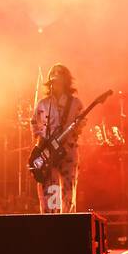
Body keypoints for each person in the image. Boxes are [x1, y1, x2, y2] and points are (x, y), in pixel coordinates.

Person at [30, 64, 84, 213]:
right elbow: (35, 124)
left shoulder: (75, 103)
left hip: (68, 151)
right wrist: (38, 148)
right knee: (50, 190)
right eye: (53, 74)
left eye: (59, 73)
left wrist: (78, 127)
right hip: (49, 152)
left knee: (68, 189)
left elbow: (80, 126)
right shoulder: (43, 104)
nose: (56, 76)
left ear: (66, 79)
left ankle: (67, 222)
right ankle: (51, 223)